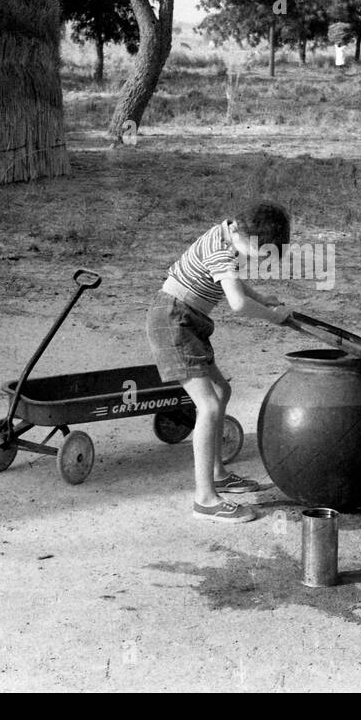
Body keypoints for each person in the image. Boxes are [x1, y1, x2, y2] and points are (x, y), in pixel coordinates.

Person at [146, 201, 293, 523]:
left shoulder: (225, 232)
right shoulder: (222, 252)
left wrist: (261, 297)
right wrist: (273, 316)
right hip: (173, 321)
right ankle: (205, 500)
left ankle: (218, 474)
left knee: (220, 391)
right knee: (209, 405)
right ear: (250, 239)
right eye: (263, 252)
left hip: (186, 319)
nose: (262, 259)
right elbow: (237, 304)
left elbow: (233, 283)